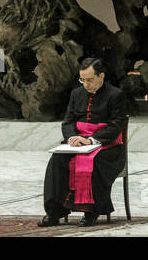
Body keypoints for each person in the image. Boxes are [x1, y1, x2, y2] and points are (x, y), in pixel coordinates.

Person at [40, 57, 128, 226]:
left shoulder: (116, 95)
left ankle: (90, 212)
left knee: (94, 162)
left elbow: (117, 124)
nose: (86, 84)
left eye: (90, 80)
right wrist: (72, 138)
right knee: (57, 161)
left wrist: (91, 140)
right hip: (78, 143)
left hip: (107, 146)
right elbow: (67, 121)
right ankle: (54, 212)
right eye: (83, 80)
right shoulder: (76, 93)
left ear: (101, 76)